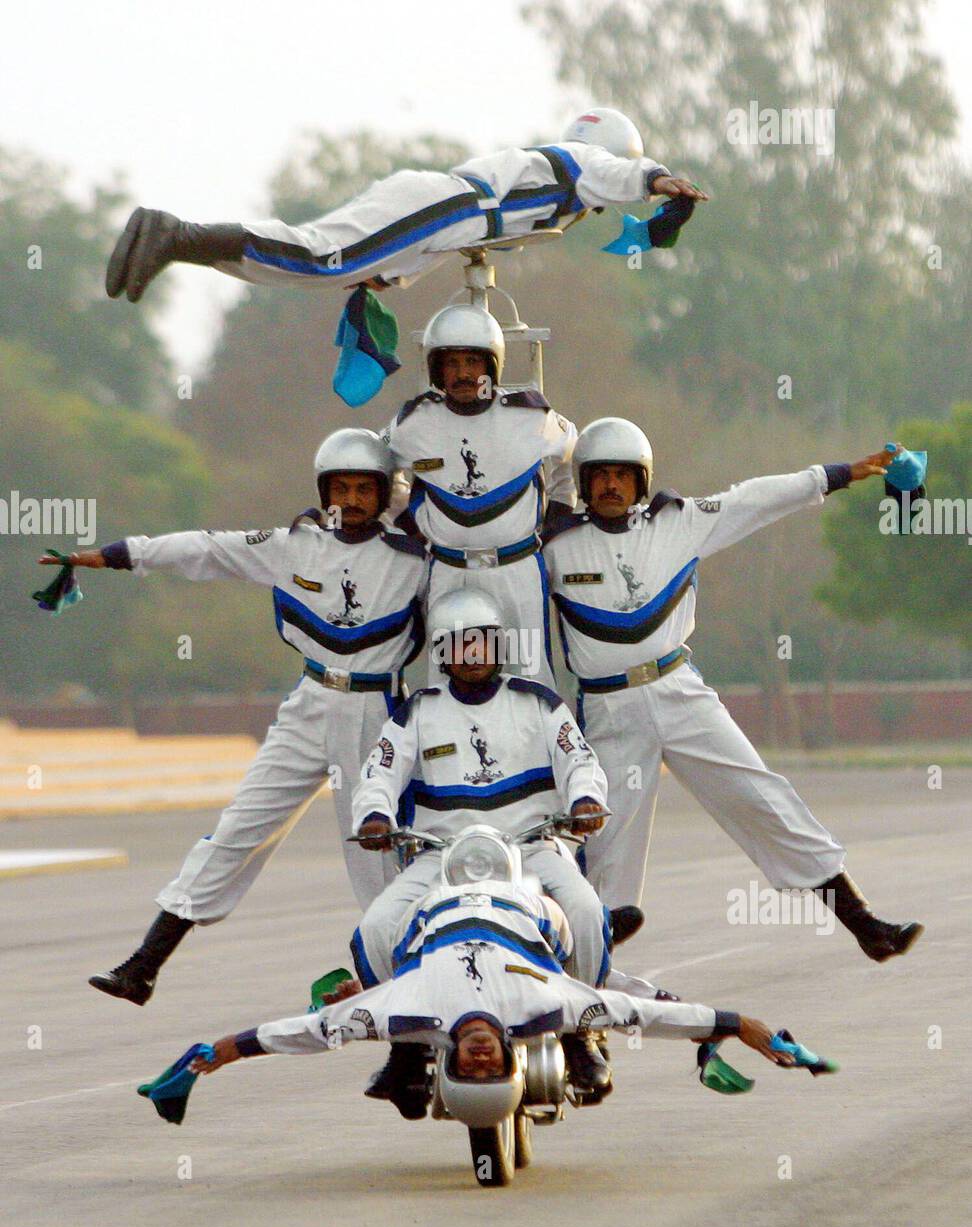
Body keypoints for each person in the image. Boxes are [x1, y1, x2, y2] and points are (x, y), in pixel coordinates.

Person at [41, 429, 428, 1005]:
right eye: (339, 487)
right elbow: (206, 548)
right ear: (324, 489)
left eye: (362, 488)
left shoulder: (416, 558)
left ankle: (414, 995)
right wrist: (117, 555)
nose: (350, 499)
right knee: (237, 829)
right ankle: (143, 965)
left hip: (376, 712)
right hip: (308, 703)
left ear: (385, 492)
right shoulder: (294, 544)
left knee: (375, 856)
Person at [542, 418, 925, 962]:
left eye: (621, 476)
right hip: (607, 708)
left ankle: (865, 923)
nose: (609, 485)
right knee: (604, 838)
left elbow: (754, 499)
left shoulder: (679, 522)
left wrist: (839, 474)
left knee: (760, 796)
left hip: (678, 690)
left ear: (640, 480)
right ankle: (584, 994)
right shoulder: (556, 548)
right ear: (583, 482)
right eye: (597, 475)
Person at [186, 877, 796, 1131]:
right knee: (585, 931)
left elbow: (308, 1032)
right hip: (528, 909)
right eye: (493, 1069)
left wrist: (222, 1051)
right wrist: (739, 1024)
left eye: (468, 1069)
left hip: (440, 899)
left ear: (448, 1061)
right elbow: (652, 1016)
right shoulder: (544, 1006)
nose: (480, 1061)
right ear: (508, 1058)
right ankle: (590, 1016)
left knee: (371, 941)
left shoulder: (406, 1012)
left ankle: (401, 1061)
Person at [349, 585, 622, 1098]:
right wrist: (375, 815)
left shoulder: (539, 702)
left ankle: (581, 1032)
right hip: (442, 852)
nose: (472, 654)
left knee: (585, 910)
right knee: (376, 929)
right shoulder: (418, 711)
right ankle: (406, 1048)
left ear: (500, 646)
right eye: (459, 644)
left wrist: (585, 800)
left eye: (482, 642)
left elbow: (579, 759)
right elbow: (379, 772)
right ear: (442, 654)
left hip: (533, 846)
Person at [104, 108, 706, 303]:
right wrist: (660, 180)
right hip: (444, 203)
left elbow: (461, 243)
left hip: (440, 217)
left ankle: (174, 248)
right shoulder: (578, 163)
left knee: (321, 269)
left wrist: (392, 274)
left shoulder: (560, 184)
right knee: (324, 255)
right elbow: (621, 173)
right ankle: (172, 232)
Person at [382, 302, 577, 684]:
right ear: (437, 369)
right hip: (448, 572)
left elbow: (573, 454)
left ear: (491, 364)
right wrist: (408, 520)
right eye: (451, 364)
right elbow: (381, 468)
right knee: (446, 683)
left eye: (472, 362)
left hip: (516, 569)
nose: (462, 373)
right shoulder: (415, 423)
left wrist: (560, 507)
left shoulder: (528, 417)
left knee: (529, 680)